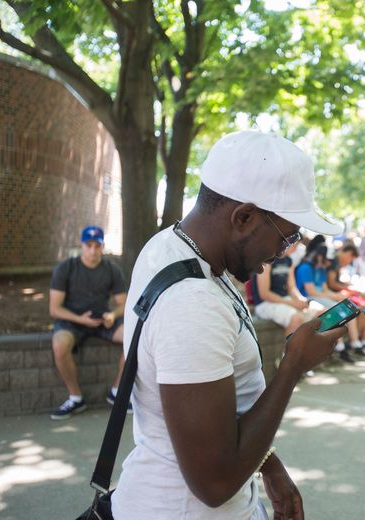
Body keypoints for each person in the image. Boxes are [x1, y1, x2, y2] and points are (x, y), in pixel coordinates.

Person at [112, 131, 346, 519]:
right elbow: (214, 484)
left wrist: (266, 461)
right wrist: (292, 366)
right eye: (287, 237)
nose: (281, 253)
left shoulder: (174, 248)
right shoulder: (193, 303)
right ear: (244, 218)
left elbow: (219, 412)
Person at [48, 225, 127, 420]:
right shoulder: (66, 268)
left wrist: (112, 315)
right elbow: (54, 309)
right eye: (88, 245)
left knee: (136, 338)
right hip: (72, 322)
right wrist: (79, 319)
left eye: (97, 246)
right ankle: (75, 398)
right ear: (82, 245)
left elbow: (124, 305)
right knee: (59, 345)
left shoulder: (112, 270)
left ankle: (117, 392)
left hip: (102, 321)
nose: (93, 250)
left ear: (102, 247)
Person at [252, 242, 310, 338]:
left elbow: (291, 287)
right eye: (295, 246)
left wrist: (300, 299)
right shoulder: (268, 259)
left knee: (318, 313)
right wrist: (293, 303)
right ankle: (289, 353)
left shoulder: (288, 260)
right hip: (265, 303)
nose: (295, 249)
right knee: (296, 318)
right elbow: (264, 294)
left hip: (284, 299)